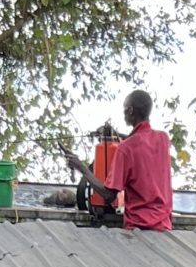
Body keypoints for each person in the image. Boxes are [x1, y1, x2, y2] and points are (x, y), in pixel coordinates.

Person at [66, 88, 172, 231]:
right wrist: (115, 135)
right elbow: (142, 142)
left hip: (138, 227)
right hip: (164, 225)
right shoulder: (163, 139)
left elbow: (108, 195)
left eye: (124, 109)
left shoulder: (125, 148)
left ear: (130, 110)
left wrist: (82, 168)